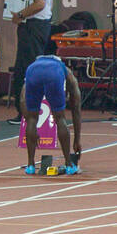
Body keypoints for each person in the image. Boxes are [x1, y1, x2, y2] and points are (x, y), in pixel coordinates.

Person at [7, 0, 53, 124]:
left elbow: (40, 3)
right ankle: (27, 111)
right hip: (31, 26)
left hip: (34, 26)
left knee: (27, 70)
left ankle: (28, 112)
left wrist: (20, 14)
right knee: (24, 69)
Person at [21, 47, 79, 176]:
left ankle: (30, 165)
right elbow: (76, 110)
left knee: (32, 118)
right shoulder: (65, 70)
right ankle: (69, 165)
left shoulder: (34, 66)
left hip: (32, 73)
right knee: (60, 118)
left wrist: (31, 126)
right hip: (54, 73)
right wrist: (77, 140)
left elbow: (21, 100)